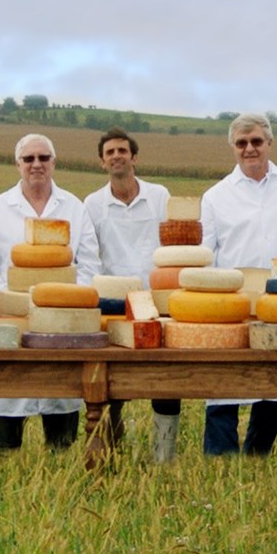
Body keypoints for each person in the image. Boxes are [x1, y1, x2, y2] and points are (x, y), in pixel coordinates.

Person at [199, 114, 277, 456]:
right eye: (241, 143)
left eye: (256, 141)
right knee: (224, 382)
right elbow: (207, 255)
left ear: (269, 143)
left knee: (274, 382)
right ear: (233, 148)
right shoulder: (215, 196)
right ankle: (220, 457)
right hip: (234, 304)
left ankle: (258, 453)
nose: (249, 149)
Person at [0, 133, 103, 451]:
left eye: (43, 158)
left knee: (61, 403)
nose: (36, 164)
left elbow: (89, 265)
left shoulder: (73, 206)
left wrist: (65, 301)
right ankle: (1, 462)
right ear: (17, 164)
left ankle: (60, 462)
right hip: (12, 319)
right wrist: (13, 302)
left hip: (62, 322)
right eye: (29, 159)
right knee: (8, 399)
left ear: (54, 162)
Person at [81, 127, 169, 456]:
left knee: (163, 379)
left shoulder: (159, 195)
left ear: (134, 157)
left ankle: (164, 454)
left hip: (155, 301)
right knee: (110, 381)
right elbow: (89, 255)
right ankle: (113, 451)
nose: (116, 156)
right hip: (112, 302)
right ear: (102, 163)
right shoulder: (92, 203)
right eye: (110, 153)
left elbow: (172, 245)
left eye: (122, 150)